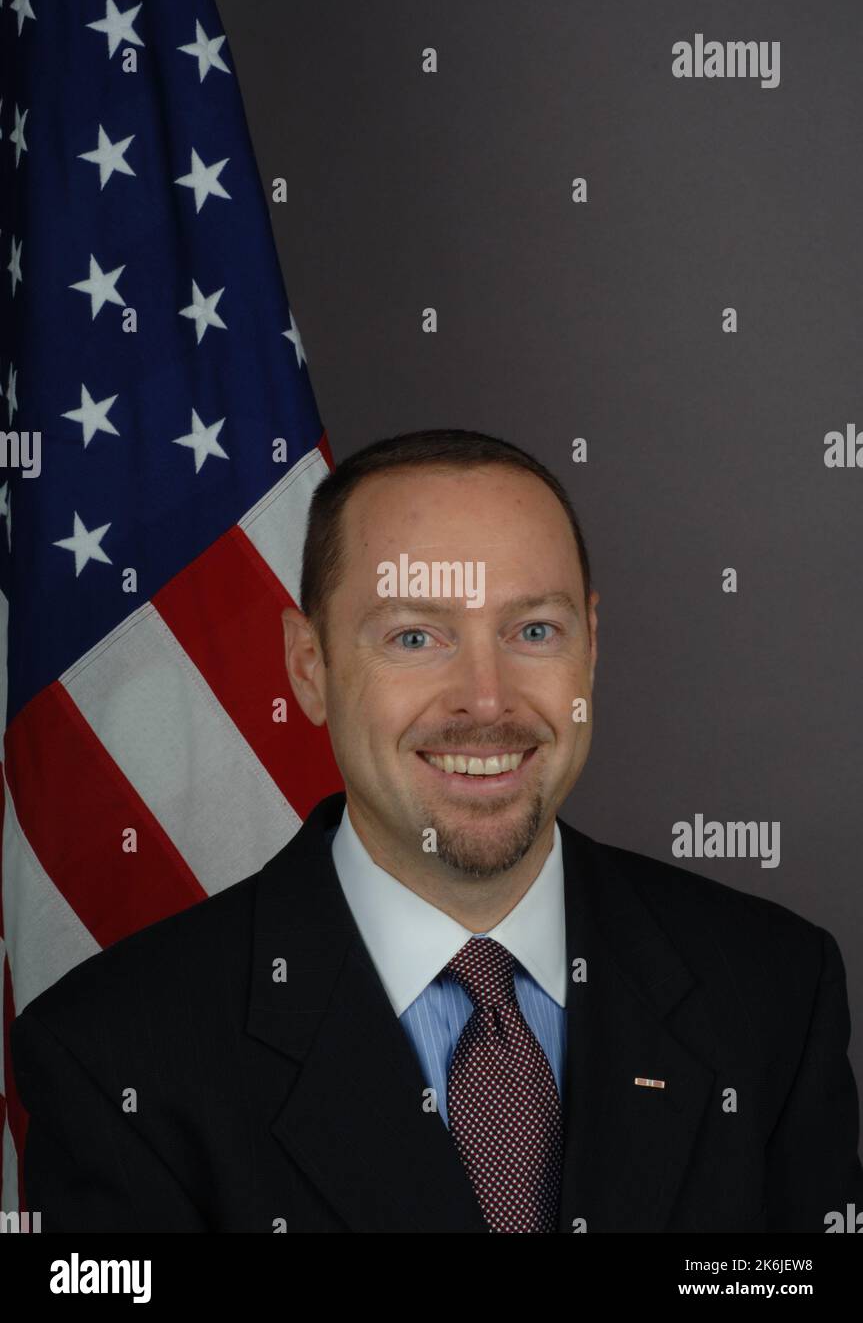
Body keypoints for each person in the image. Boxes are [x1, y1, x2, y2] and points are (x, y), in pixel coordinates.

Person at [11, 427, 863, 1232]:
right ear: (310, 668)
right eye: (416, 636)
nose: (486, 701)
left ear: (590, 650)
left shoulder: (772, 990)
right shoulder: (114, 1055)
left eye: (533, 630)